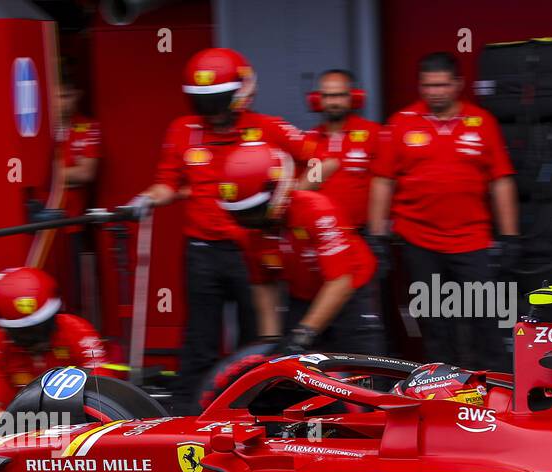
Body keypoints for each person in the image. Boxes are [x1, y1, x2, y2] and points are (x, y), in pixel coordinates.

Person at [131, 48, 325, 412]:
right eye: (204, 103)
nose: (213, 113)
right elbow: (167, 183)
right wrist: (146, 199)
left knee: (259, 337)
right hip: (202, 250)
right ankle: (184, 417)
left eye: (219, 102)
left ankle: (263, 410)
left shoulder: (268, 127)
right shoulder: (182, 131)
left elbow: (317, 160)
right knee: (199, 339)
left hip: (252, 249)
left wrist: (290, 196)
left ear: (240, 95)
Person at [368, 51, 519, 370]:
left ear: (458, 84)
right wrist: (376, 236)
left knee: (486, 319)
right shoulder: (401, 123)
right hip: (419, 241)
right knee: (436, 323)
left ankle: (496, 393)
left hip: (473, 241)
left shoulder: (482, 123)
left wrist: (510, 236)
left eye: (442, 85)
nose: (434, 92)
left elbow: (501, 182)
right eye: (428, 86)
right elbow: (383, 181)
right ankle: (443, 396)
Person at [218, 143, 386, 356]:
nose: (249, 221)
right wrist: (270, 343)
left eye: (254, 212)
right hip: (301, 297)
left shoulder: (316, 211)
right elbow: (264, 285)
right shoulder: (250, 232)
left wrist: (304, 334)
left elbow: (341, 282)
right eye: (241, 214)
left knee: (361, 373)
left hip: (350, 295)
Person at [0, 266, 106, 409]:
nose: (36, 342)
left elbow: (103, 395)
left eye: (41, 329)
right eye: (24, 334)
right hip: (19, 426)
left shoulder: (78, 332)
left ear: (54, 317)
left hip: (77, 423)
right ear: (7, 331)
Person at [50, 73, 101, 313]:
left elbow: (86, 173)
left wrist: (54, 175)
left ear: (77, 95)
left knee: (73, 296)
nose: (62, 101)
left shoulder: (88, 127)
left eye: (67, 95)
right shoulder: (40, 130)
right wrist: (64, 174)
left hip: (73, 225)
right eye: (57, 95)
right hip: (41, 229)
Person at [308, 69, 381, 232]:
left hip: (363, 234)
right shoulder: (307, 140)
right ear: (316, 100)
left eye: (340, 95)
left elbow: (387, 186)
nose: (333, 102)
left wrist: (378, 234)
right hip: (321, 234)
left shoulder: (374, 134)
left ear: (353, 98)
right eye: (326, 96)